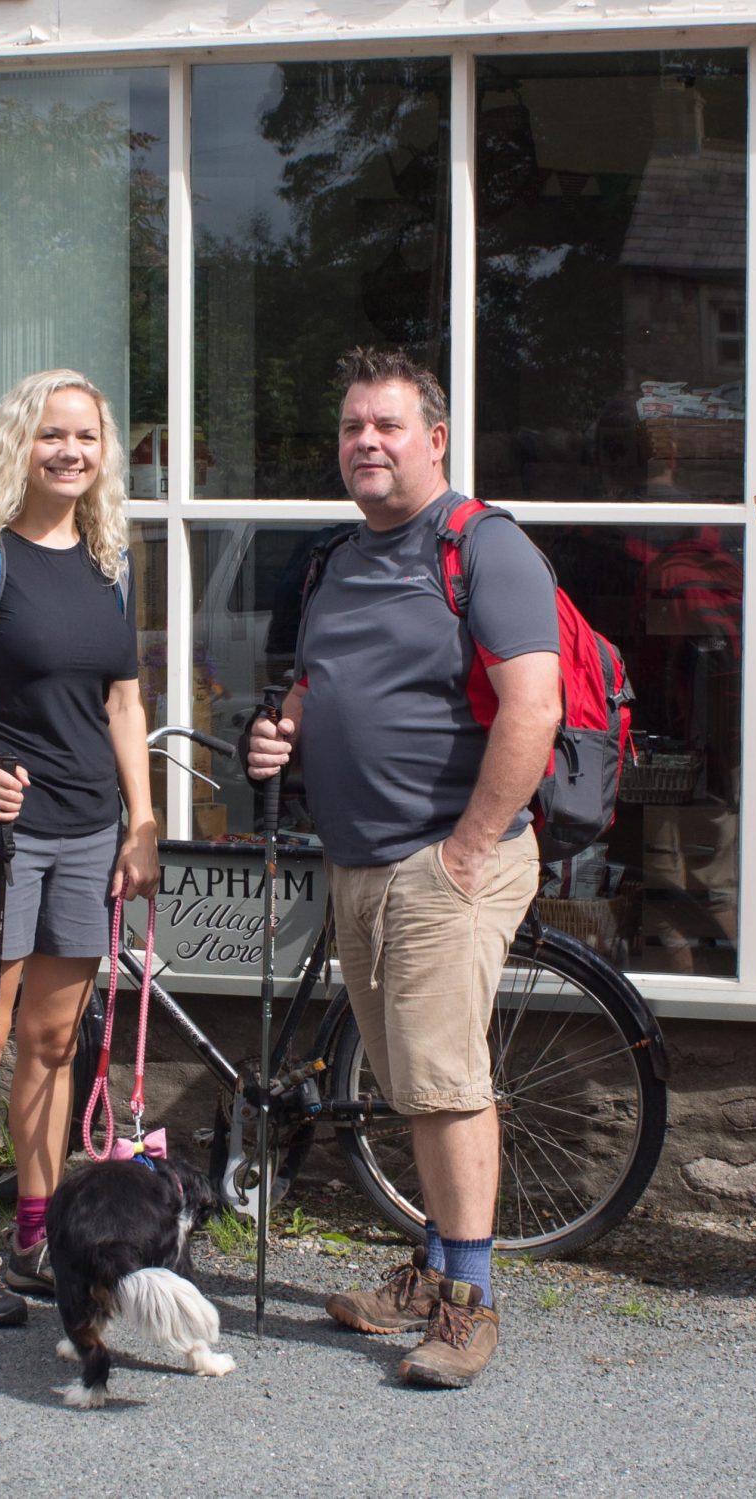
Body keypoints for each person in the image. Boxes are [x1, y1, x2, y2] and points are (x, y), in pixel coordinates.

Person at [245, 348, 559, 1388]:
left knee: (442, 1084)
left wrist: (468, 849)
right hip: (360, 863)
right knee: (406, 1080)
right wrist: (280, 733)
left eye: (386, 426)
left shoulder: (486, 548)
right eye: (351, 428)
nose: (366, 443)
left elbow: (534, 707)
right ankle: (432, 1270)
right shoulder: (338, 558)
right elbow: (318, 683)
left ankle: (467, 1303)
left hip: (444, 860)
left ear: (434, 440)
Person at [0, 368, 160, 1325]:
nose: (70, 452)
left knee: (55, 1044)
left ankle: (37, 1238)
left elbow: (124, 702)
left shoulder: (109, 560)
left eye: (87, 438)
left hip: (91, 829)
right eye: (53, 435)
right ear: (22, 441)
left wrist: (142, 820)